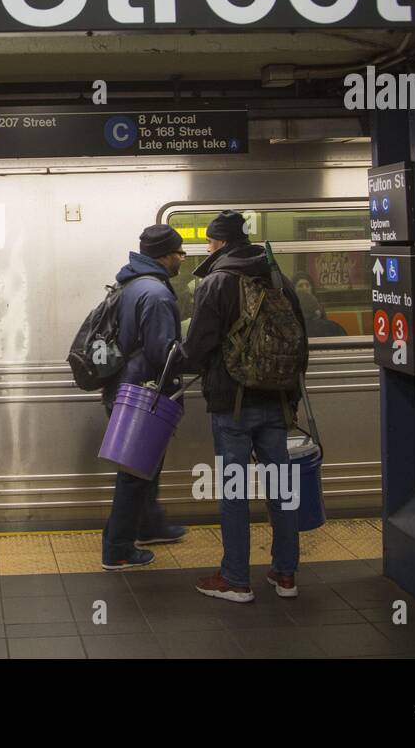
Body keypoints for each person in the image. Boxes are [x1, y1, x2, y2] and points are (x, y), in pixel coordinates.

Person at [178, 210, 309, 603]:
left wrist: (180, 360)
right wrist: (292, 397)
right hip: (278, 400)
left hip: (232, 404)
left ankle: (236, 579)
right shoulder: (278, 278)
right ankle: (285, 575)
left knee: (234, 491)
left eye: (209, 241)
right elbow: (300, 343)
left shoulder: (216, 281)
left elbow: (198, 345)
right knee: (282, 489)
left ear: (218, 243)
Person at [99, 225, 190, 571]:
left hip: (126, 388)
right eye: (179, 252)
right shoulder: (156, 294)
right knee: (135, 474)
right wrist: (190, 352)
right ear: (165, 256)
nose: (182, 258)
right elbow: (160, 351)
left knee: (143, 468)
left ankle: (149, 526)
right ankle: (118, 548)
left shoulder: (132, 283)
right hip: (143, 394)